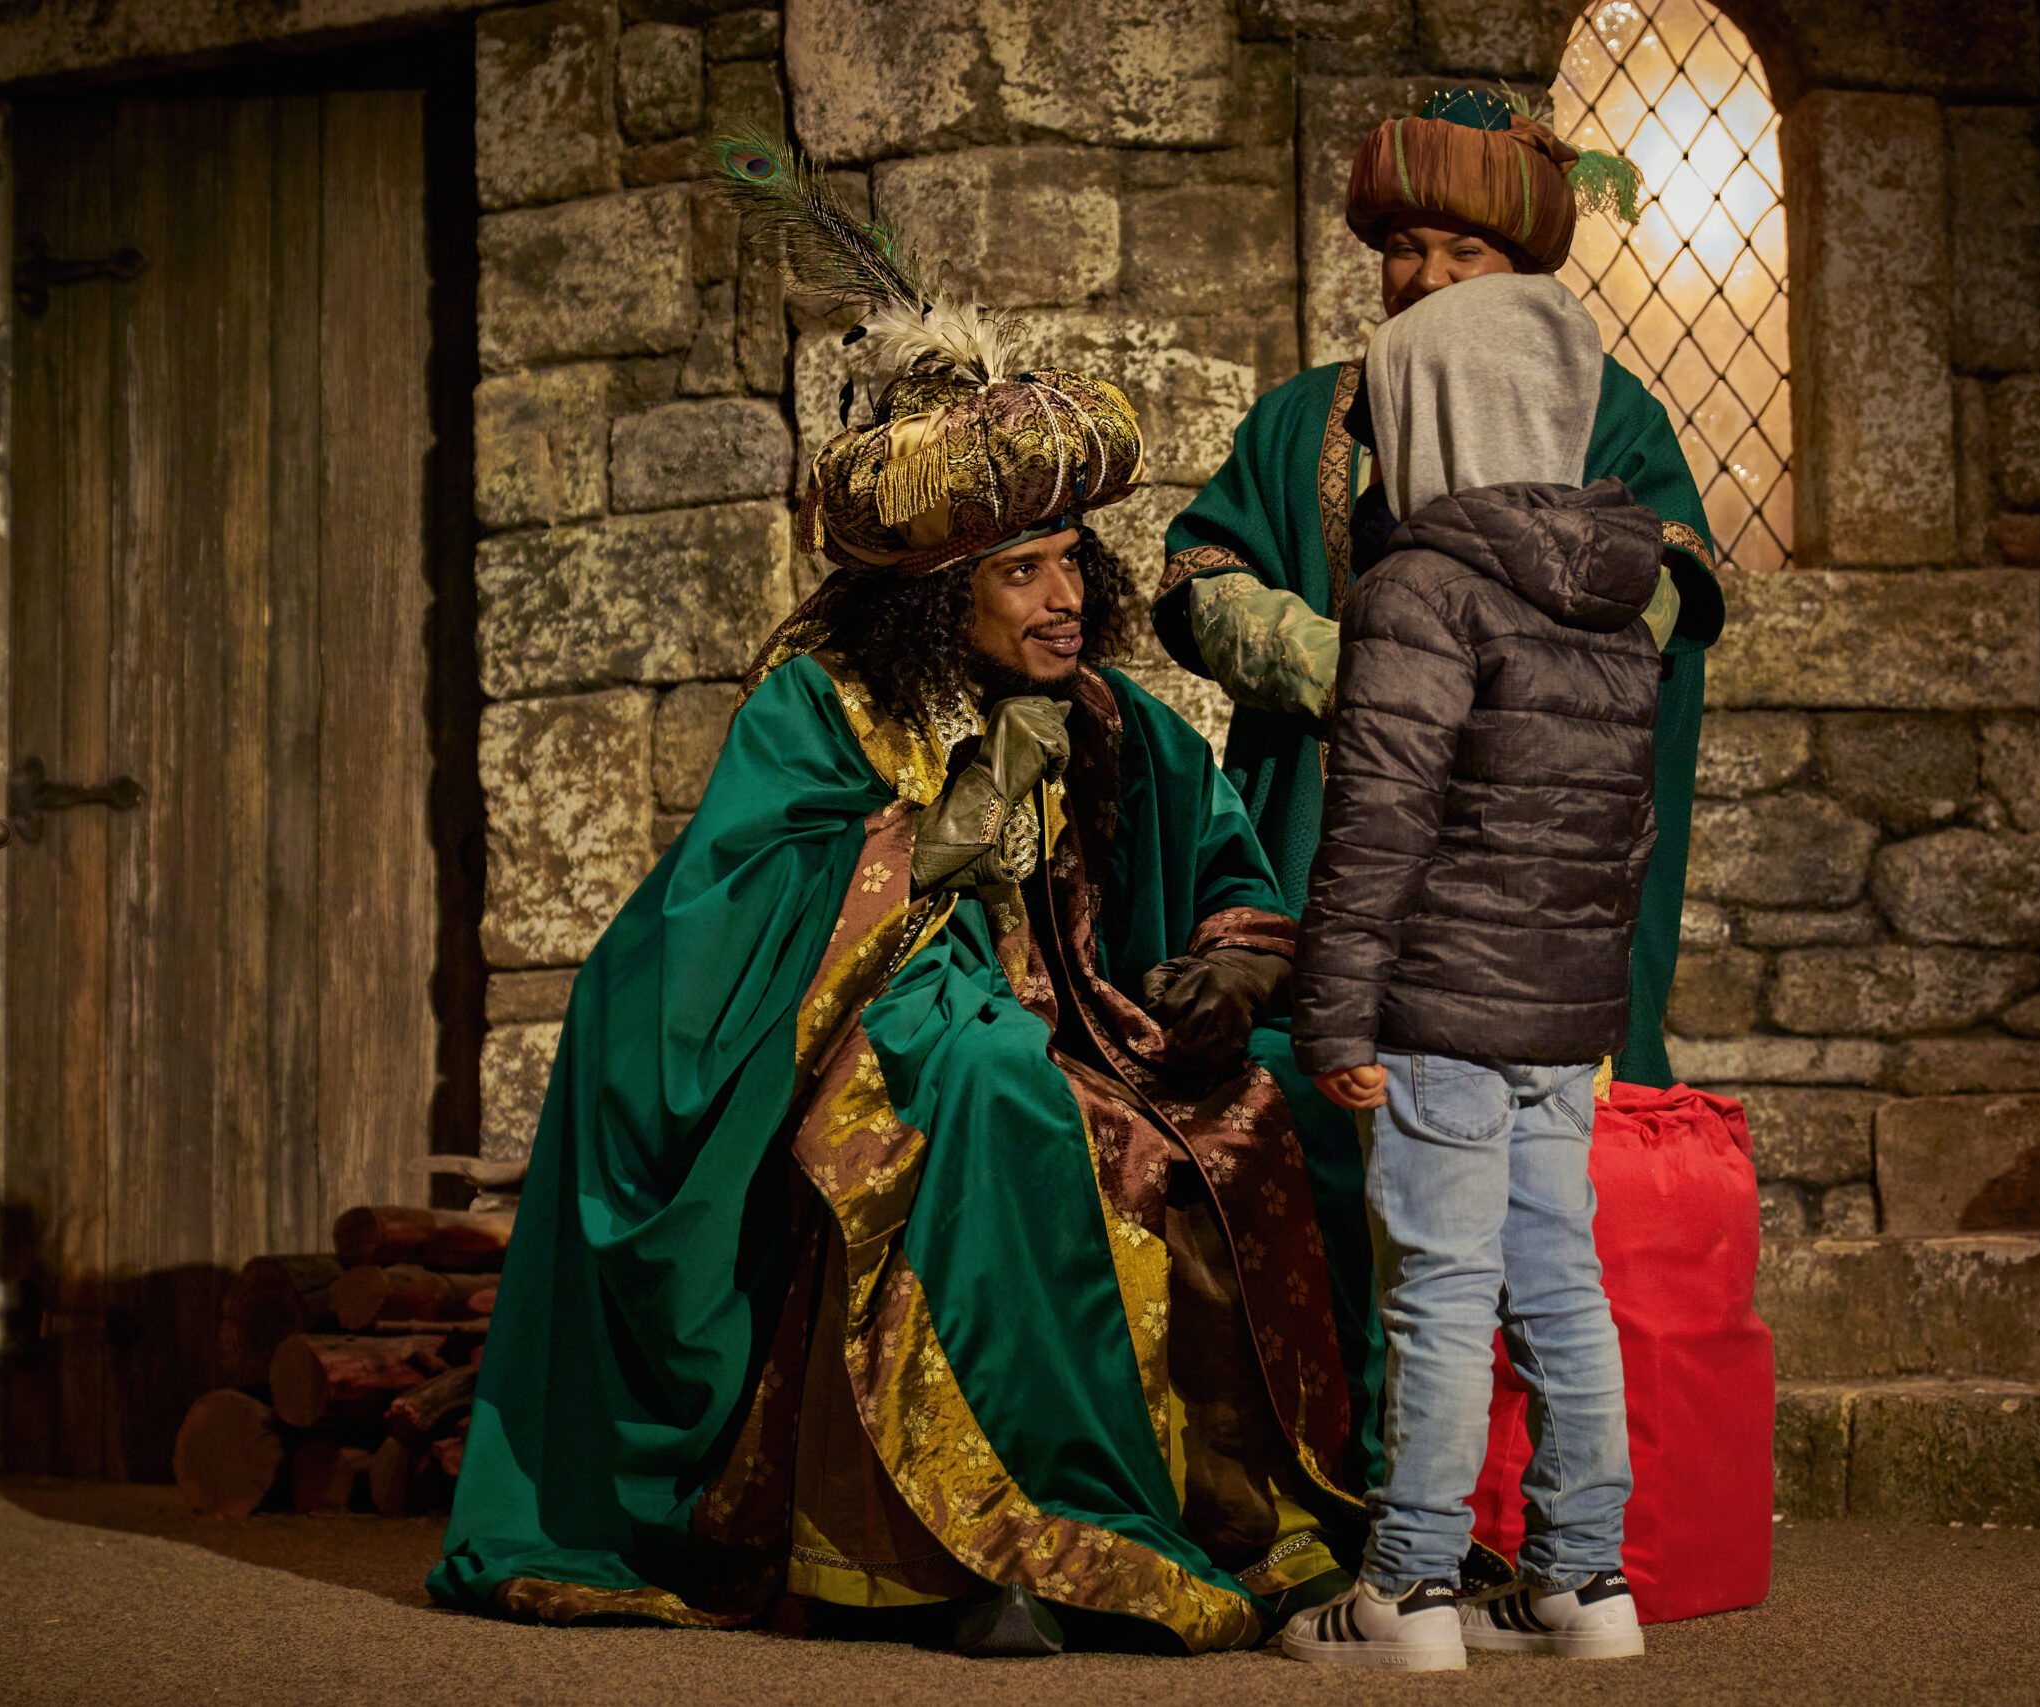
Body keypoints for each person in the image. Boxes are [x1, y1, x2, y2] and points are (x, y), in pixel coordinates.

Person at [429, 138, 1373, 1655]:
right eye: (1023, 575)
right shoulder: (825, 707)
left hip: (1102, 1033)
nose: (1067, 598)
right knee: (991, 1086)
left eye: (1074, 560)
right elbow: (725, 916)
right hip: (859, 1036)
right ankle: (971, 1544)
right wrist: (930, 844)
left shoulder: (1114, 718)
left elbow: (1233, 873)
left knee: (1257, 1115)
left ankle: (1257, 1517)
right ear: (942, 594)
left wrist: (1237, 969)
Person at [1151, 87, 1724, 1090]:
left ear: (1523, 270)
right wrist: (1336, 666)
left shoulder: (1609, 415)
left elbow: (1666, 585)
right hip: (1344, 836)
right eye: (1406, 248)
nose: (1429, 279)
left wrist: (1511, 686)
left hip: (1535, 845)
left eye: (1467, 253)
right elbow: (1203, 576)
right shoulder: (1302, 421)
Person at [1278, 262, 1673, 1669]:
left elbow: (1376, 814)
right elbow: (1625, 833)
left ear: (1431, 413)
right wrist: (1588, 1003)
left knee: (1439, 1289)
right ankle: (1584, 1581)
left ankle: (1410, 1589)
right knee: (1560, 1282)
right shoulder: (1622, 601)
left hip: (1439, 1004)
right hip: (1562, 1015)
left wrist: (1334, 1010)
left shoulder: (1421, 586)